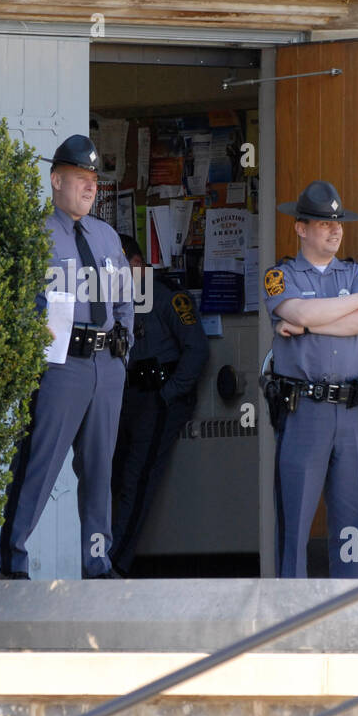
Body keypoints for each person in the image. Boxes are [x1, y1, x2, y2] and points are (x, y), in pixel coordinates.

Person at [0, 134, 133, 580]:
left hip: (105, 366)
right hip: (61, 366)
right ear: (56, 181)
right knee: (39, 464)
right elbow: (20, 303)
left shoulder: (108, 236)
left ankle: (97, 563)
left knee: (99, 473)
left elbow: (125, 300)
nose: (90, 188)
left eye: (94, 180)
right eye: (80, 179)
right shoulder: (38, 234)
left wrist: (123, 348)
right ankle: (13, 564)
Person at [263, 180, 358, 578]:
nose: (335, 230)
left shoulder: (356, 271)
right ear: (300, 228)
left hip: (353, 413)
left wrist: (311, 320)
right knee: (295, 523)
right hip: (305, 413)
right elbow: (300, 313)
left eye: (338, 224)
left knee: (353, 524)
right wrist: (342, 309)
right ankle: (290, 617)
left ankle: (351, 611)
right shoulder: (280, 275)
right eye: (323, 224)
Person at [108, 235, 209, 577]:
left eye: (126, 268)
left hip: (158, 398)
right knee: (111, 476)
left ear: (139, 265)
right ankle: (98, 556)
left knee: (136, 479)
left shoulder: (165, 296)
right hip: (123, 398)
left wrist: (169, 395)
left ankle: (114, 564)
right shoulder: (105, 297)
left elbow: (196, 350)